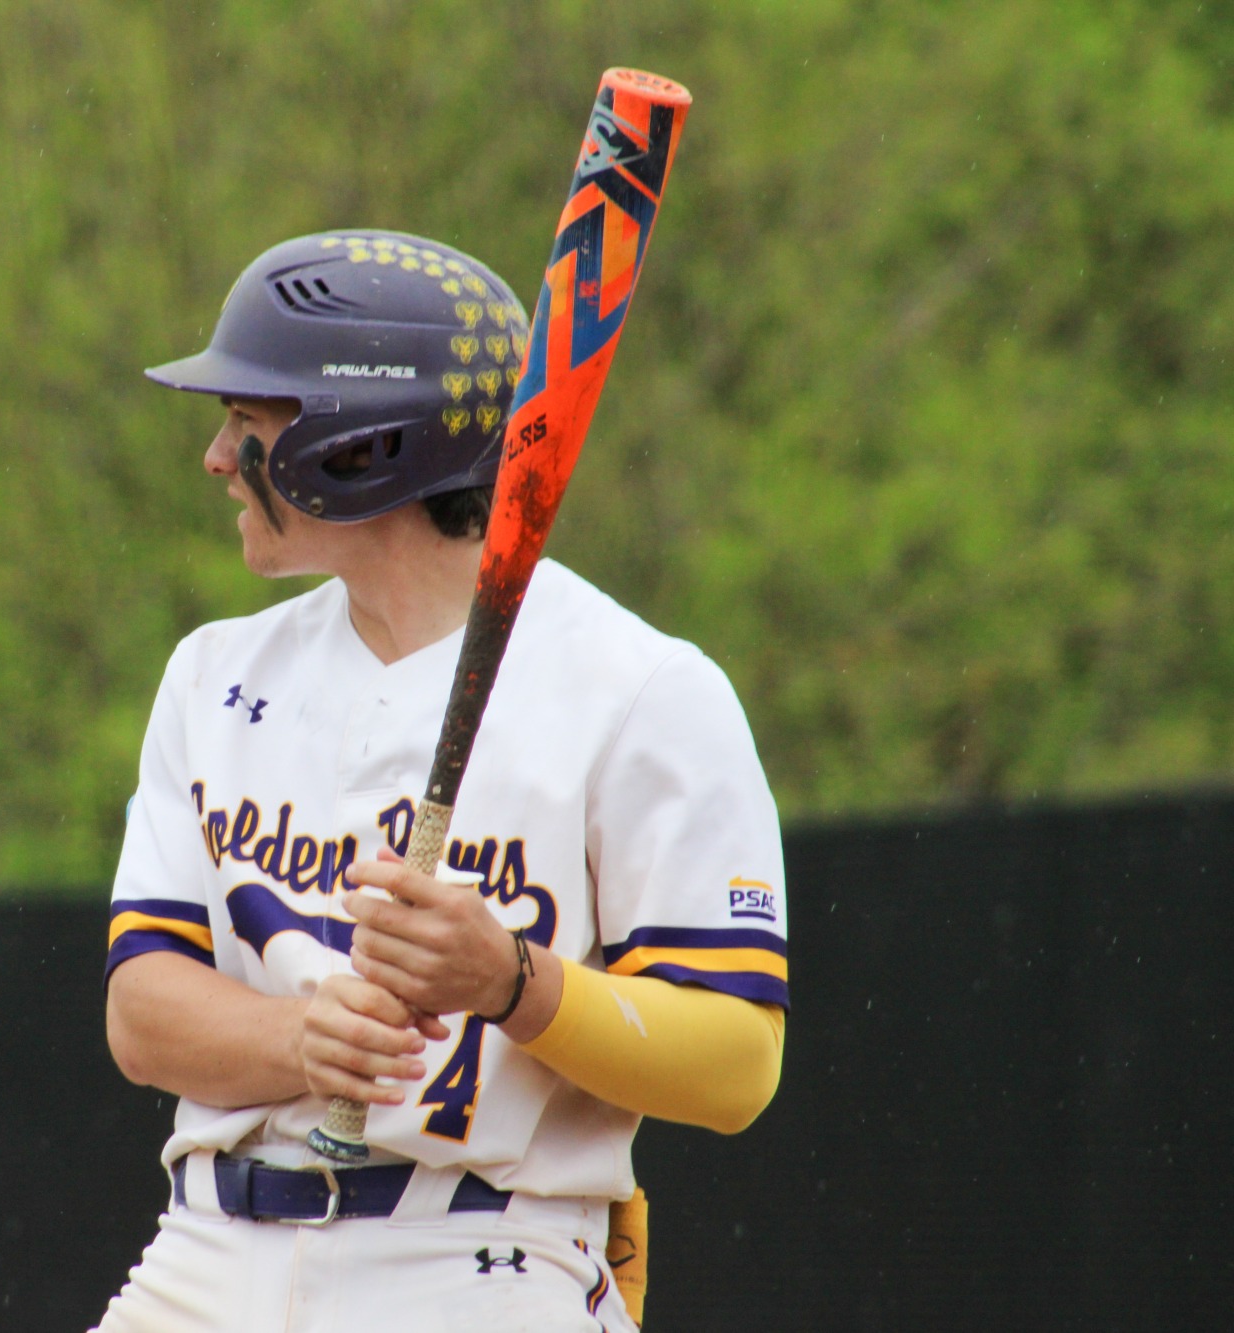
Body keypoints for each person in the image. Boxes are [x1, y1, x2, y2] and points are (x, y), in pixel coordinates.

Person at [96, 231, 789, 1332]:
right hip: (205, 1251)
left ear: (358, 447)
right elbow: (141, 1012)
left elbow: (736, 1063)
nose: (218, 458)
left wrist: (512, 981)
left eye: (247, 420)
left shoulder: (642, 689)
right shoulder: (213, 675)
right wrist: (300, 1038)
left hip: (478, 1258)